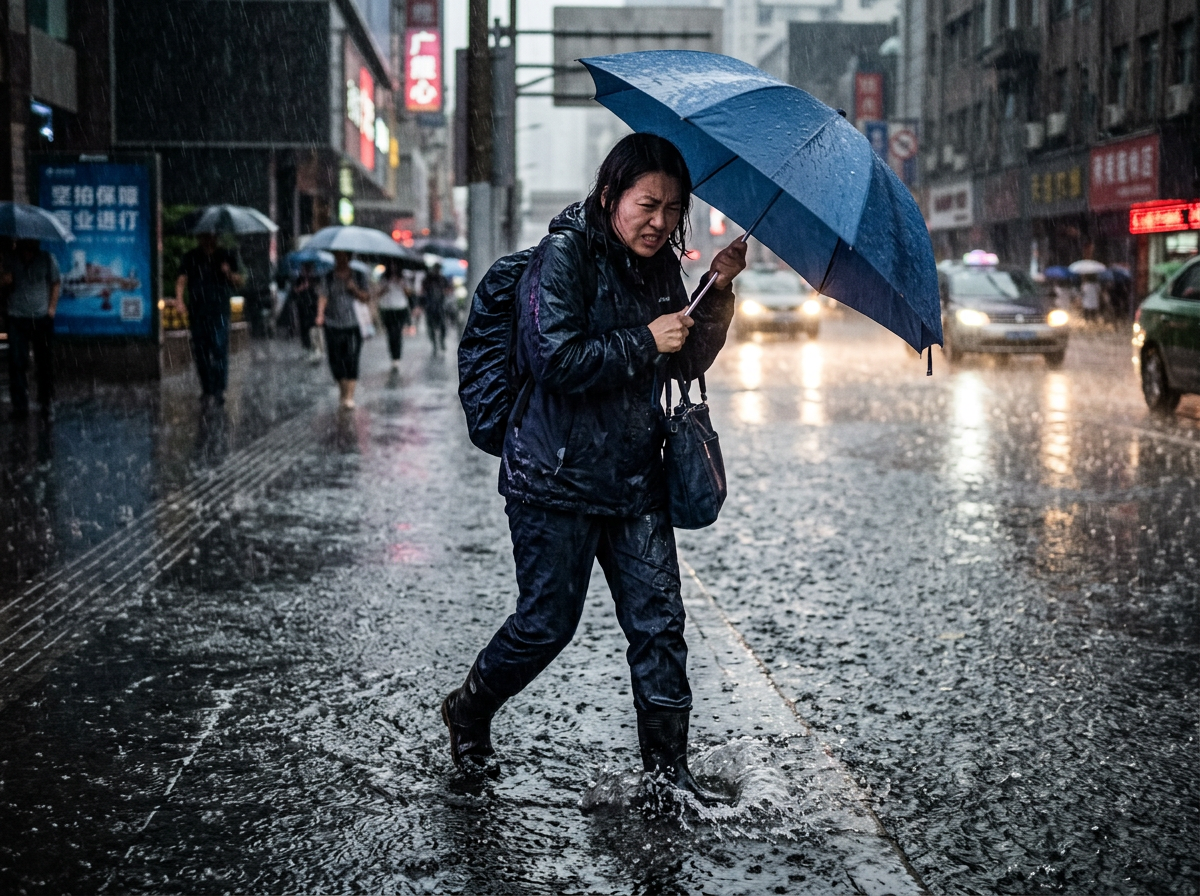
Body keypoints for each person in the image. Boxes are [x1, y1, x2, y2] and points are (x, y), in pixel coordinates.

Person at [443, 133, 747, 800]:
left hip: (636, 477)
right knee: (546, 625)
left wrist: (715, 292)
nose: (660, 221)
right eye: (647, 204)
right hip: (553, 477)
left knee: (659, 626)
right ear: (611, 195)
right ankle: (468, 710)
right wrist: (643, 339)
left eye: (673, 209)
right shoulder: (564, 254)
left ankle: (667, 776)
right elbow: (553, 358)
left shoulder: (663, 267)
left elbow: (684, 361)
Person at [174, 232, 243, 404]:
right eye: (203, 236)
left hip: (219, 310)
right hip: (198, 311)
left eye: (211, 236)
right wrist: (179, 300)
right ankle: (207, 388)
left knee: (220, 349)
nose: (207, 239)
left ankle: (220, 389)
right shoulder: (191, 257)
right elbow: (182, 279)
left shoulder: (226, 255)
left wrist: (228, 273)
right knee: (201, 351)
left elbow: (239, 281)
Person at [2, 239, 60, 420]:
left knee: (44, 362)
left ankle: (46, 401)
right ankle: (20, 406)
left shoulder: (47, 259)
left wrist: (51, 309)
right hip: (17, 317)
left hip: (41, 317)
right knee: (17, 363)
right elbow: (4, 284)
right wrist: (5, 278)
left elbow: (55, 283)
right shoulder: (10, 259)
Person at [316, 250, 370, 409]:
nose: (339, 259)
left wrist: (354, 289)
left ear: (348, 257)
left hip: (354, 324)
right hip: (333, 323)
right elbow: (323, 296)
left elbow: (366, 297)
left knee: (352, 358)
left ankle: (349, 396)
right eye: (336, 256)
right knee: (335, 360)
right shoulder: (328, 276)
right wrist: (320, 314)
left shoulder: (358, 276)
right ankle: (343, 390)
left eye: (342, 256)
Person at [378, 263, 411, 371]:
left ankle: (397, 356)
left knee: (397, 333)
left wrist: (401, 284)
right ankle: (392, 355)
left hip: (400, 309)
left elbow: (409, 293)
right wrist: (386, 287)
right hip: (387, 309)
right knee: (390, 333)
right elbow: (377, 293)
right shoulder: (383, 278)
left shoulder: (403, 278)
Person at [291, 261, 322, 362]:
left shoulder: (316, 278)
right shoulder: (299, 278)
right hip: (302, 305)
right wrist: (303, 287)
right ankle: (306, 347)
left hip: (313, 305)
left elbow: (320, 291)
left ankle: (315, 348)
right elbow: (294, 292)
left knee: (313, 327)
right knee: (304, 327)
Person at [421, 263, 449, 354]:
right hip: (430, 306)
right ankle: (435, 344)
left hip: (439, 306)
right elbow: (422, 290)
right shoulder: (428, 279)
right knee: (431, 327)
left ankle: (441, 341)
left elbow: (448, 289)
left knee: (442, 326)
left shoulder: (442, 279)